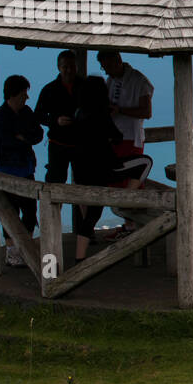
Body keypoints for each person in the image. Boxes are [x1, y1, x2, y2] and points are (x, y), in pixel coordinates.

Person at [69, 76, 152, 261]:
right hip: (106, 170)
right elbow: (117, 137)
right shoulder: (101, 114)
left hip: (82, 174)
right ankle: (126, 199)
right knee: (145, 162)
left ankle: (79, 259)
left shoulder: (78, 114)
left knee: (92, 215)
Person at [97, 50, 154, 234]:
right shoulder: (111, 80)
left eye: (108, 67)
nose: (106, 72)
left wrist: (120, 110)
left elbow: (146, 112)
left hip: (131, 137)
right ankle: (130, 224)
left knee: (131, 179)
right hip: (114, 137)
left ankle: (135, 224)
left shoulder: (139, 81)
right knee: (118, 181)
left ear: (117, 61)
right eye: (103, 68)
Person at [0, 74, 43, 268]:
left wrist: (23, 138)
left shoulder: (26, 113)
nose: (26, 98)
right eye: (23, 94)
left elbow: (38, 134)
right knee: (10, 211)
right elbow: (6, 143)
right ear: (13, 95)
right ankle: (12, 251)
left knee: (30, 210)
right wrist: (23, 139)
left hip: (26, 169)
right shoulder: (0, 117)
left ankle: (25, 247)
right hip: (7, 172)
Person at [34, 50, 82, 185]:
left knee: (83, 182)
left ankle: (81, 207)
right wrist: (55, 121)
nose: (69, 70)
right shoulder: (49, 89)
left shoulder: (86, 87)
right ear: (58, 67)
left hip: (81, 143)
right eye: (65, 67)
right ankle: (55, 207)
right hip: (57, 144)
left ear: (77, 67)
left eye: (72, 66)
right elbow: (38, 115)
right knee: (55, 182)